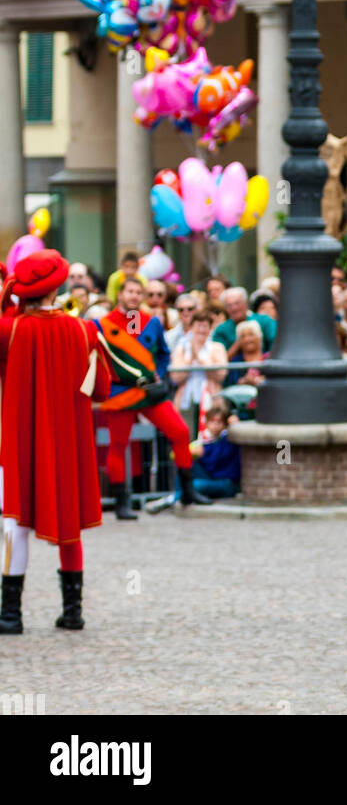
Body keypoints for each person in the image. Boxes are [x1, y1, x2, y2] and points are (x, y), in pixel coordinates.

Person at [0, 250, 113, 634]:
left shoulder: (10, 330)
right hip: (68, 439)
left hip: (19, 438)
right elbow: (101, 389)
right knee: (69, 524)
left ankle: (10, 615)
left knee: (14, 524)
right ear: (57, 288)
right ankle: (73, 612)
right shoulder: (85, 331)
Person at [95, 276, 207, 517]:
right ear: (121, 294)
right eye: (130, 291)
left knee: (180, 432)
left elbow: (164, 354)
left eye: (138, 292)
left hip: (149, 392)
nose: (134, 296)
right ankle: (122, 502)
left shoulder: (152, 324)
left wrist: (160, 373)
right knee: (118, 446)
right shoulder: (101, 325)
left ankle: (187, 491)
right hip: (120, 392)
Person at [169, 309, 228, 436]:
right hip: (186, 399)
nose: (201, 329)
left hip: (211, 398)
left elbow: (221, 375)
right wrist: (191, 359)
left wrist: (201, 361)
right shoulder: (182, 349)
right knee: (185, 434)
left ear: (210, 328)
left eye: (205, 326)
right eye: (198, 325)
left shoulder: (217, 348)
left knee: (210, 436)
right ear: (192, 327)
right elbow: (175, 377)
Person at [214, 287, 277, 358]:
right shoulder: (221, 330)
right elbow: (219, 360)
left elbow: (276, 344)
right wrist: (238, 344)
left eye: (237, 303)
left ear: (246, 303)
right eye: (229, 305)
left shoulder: (264, 321)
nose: (234, 308)